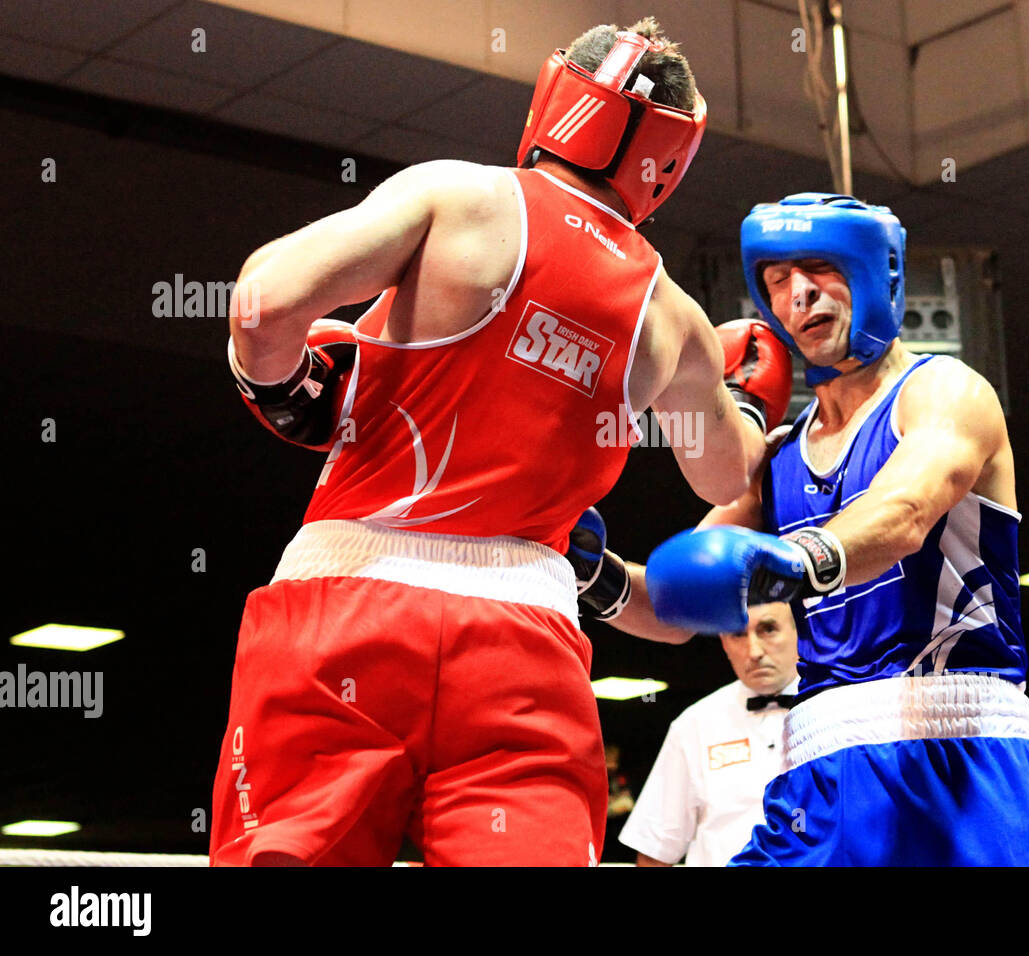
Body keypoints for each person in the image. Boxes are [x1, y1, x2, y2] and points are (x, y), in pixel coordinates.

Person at [208, 18, 791, 867]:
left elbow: (262, 307)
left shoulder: (458, 197)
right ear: (670, 160)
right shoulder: (674, 321)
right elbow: (723, 476)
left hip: (345, 608)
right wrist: (741, 399)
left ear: (555, 98)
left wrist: (287, 390)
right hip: (521, 636)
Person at [583, 193, 1029, 865]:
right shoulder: (778, 457)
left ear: (878, 274)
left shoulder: (947, 392)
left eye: (819, 269)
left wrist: (790, 559)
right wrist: (592, 572)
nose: (799, 296)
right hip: (819, 773)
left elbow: (905, 512)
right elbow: (675, 604)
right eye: (778, 280)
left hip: (957, 754)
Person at [619, 603, 799, 866]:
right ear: (723, 642)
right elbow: (655, 851)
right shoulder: (694, 724)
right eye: (738, 634)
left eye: (768, 629)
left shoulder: (839, 714)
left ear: (800, 631)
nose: (755, 651)